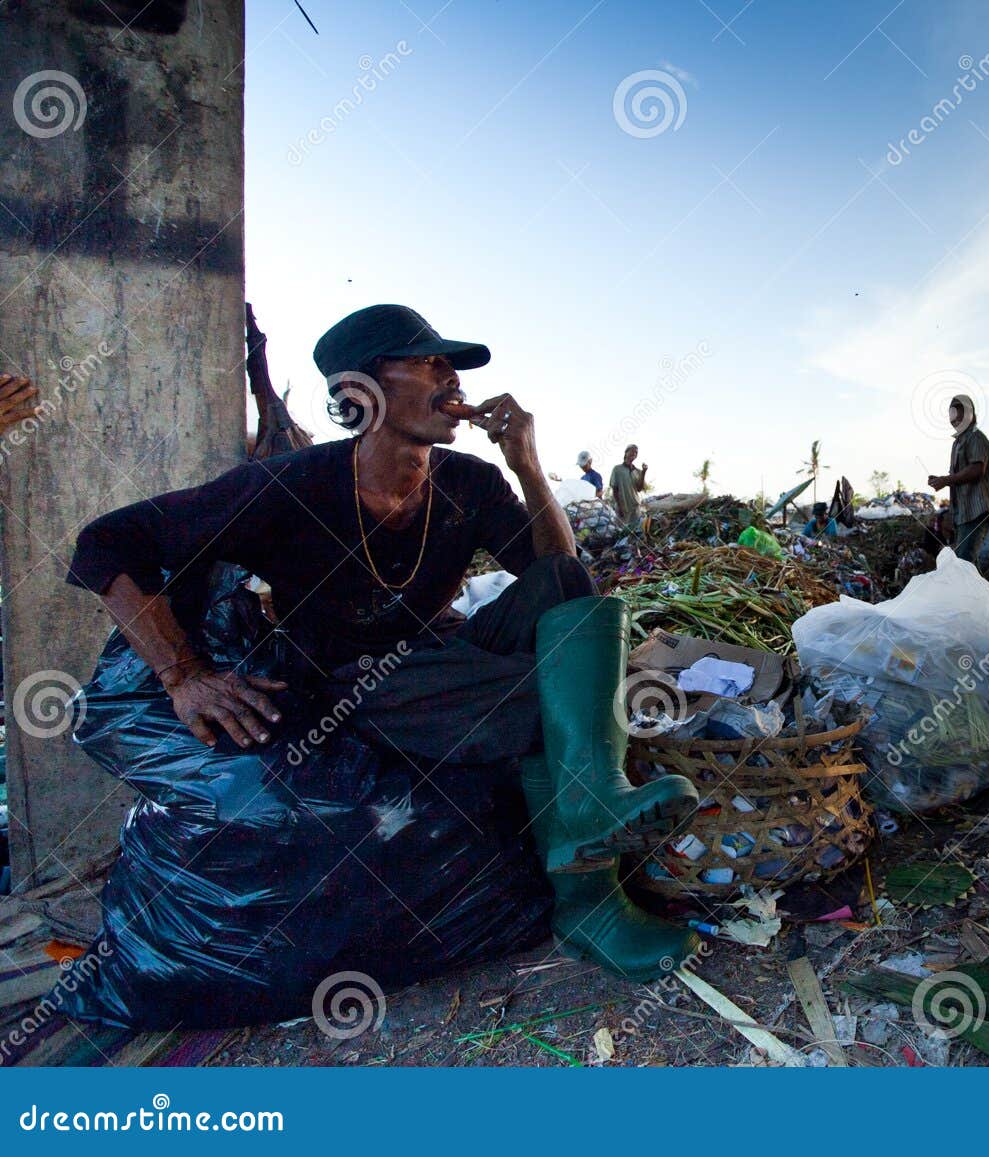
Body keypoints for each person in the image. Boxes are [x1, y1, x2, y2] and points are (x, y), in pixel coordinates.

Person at [66, 304, 700, 983]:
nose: (449, 376)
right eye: (428, 361)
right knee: (546, 697)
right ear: (359, 391)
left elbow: (557, 575)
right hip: (348, 686)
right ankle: (592, 904)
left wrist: (527, 466)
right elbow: (105, 542)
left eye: (448, 364)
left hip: (439, 654)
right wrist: (183, 673)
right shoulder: (290, 487)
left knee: (570, 581)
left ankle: (590, 798)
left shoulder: (468, 482)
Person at [927, 393, 989, 566]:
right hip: (964, 513)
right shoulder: (959, 442)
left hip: (976, 510)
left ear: (970, 415)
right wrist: (942, 480)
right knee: (967, 564)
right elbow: (960, 474)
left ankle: (969, 593)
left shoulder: (975, 437)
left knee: (964, 564)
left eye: (959, 415)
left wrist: (946, 480)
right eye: (952, 415)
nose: (954, 420)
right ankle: (978, 593)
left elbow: (976, 470)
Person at [609, 444, 646, 527]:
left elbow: (639, 489)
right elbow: (615, 490)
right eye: (632, 451)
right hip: (622, 508)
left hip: (635, 508)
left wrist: (644, 472)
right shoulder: (617, 469)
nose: (634, 453)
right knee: (621, 532)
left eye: (636, 452)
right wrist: (619, 506)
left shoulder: (638, 471)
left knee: (636, 532)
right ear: (626, 453)